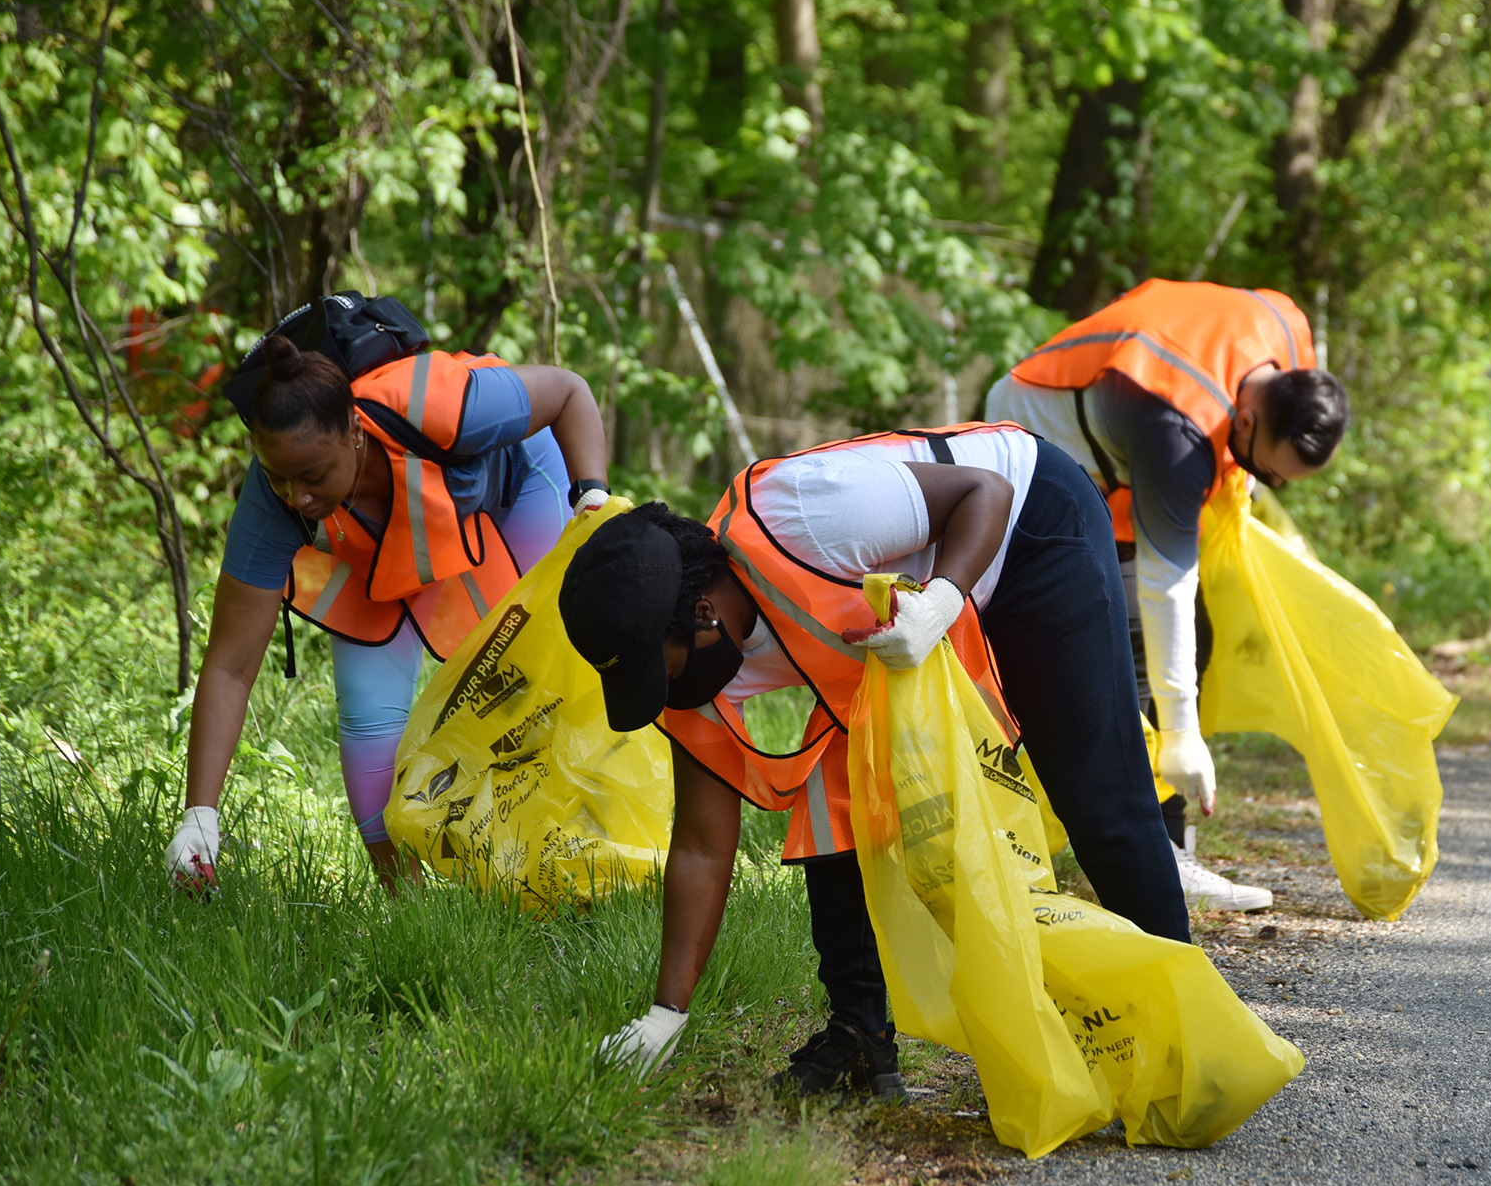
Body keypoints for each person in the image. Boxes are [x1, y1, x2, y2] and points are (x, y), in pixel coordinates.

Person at [559, 425, 1194, 1096]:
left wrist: (940, 603)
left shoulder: (804, 514)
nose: (663, 695)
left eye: (656, 671)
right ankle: (861, 1040)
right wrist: (666, 1014)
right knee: (828, 803)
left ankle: (1183, 1036)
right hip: (905, 617)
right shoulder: (701, 675)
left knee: (1097, 793)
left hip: (1028, 520)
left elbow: (986, 490)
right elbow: (699, 846)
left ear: (704, 613)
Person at [163, 329, 610, 884]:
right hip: (381, 557)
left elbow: (569, 391)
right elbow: (230, 668)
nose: (296, 497)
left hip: (515, 494)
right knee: (368, 732)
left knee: (537, 679)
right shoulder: (272, 501)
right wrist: (199, 817)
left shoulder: (442, 407)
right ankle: (412, 912)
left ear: (353, 430)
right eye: (279, 479)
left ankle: (571, 866)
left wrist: (592, 499)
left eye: (313, 476)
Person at [981, 279, 1350, 911]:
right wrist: (1182, 731)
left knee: (1183, 642)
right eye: (1267, 471)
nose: (1268, 484)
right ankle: (1159, 854)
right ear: (1246, 419)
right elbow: (1165, 585)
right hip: (1040, 450)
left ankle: (1157, 838)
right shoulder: (1176, 433)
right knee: (1132, 651)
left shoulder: (1286, 330)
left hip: (1122, 438)